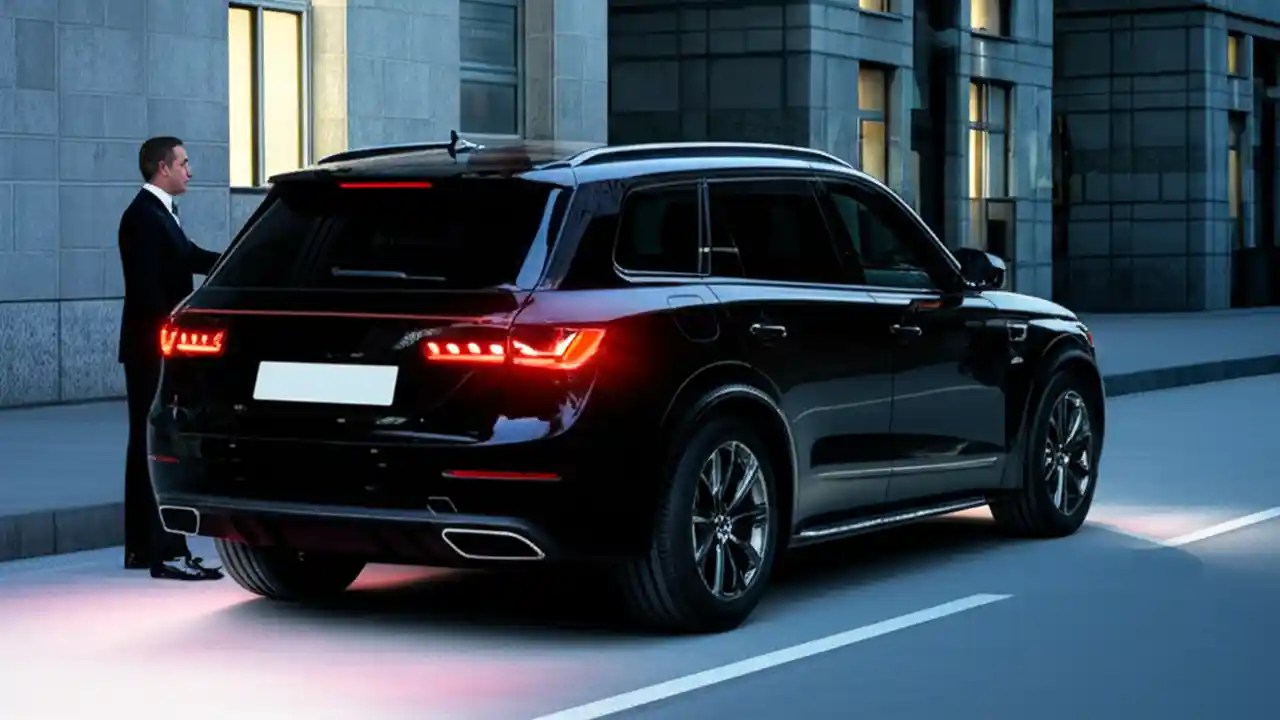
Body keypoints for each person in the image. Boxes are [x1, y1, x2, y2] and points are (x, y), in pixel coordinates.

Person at [117, 136, 224, 581]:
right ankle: (168, 552)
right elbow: (148, 293)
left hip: (151, 344)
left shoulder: (160, 215)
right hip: (153, 346)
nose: (190, 171)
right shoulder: (144, 217)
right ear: (163, 167)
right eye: (184, 163)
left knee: (146, 444)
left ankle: (143, 548)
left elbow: (189, 257)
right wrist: (173, 339)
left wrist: (237, 263)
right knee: (162, 443)